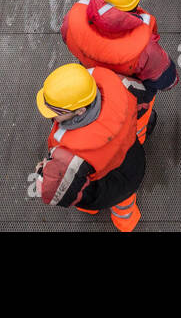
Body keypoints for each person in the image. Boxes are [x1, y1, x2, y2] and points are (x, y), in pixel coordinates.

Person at [60, 0, 178, 143]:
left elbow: (66, 37)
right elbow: (166, 79)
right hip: (129, 96)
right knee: (136, 121)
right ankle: (138, 138)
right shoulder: (144, 47)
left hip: (89, 81)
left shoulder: (74, 16)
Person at [34, 63, 149, 231]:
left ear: (80, 111)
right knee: (124, 205)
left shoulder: (70, 151)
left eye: (56, 111)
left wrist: (41, 172)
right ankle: (127, 224)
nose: (50, 114)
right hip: (132, 165)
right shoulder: (119, 86)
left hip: (103, 185)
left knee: (87, 195)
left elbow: (54, 191)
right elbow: (142, 102)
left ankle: (92, 210)